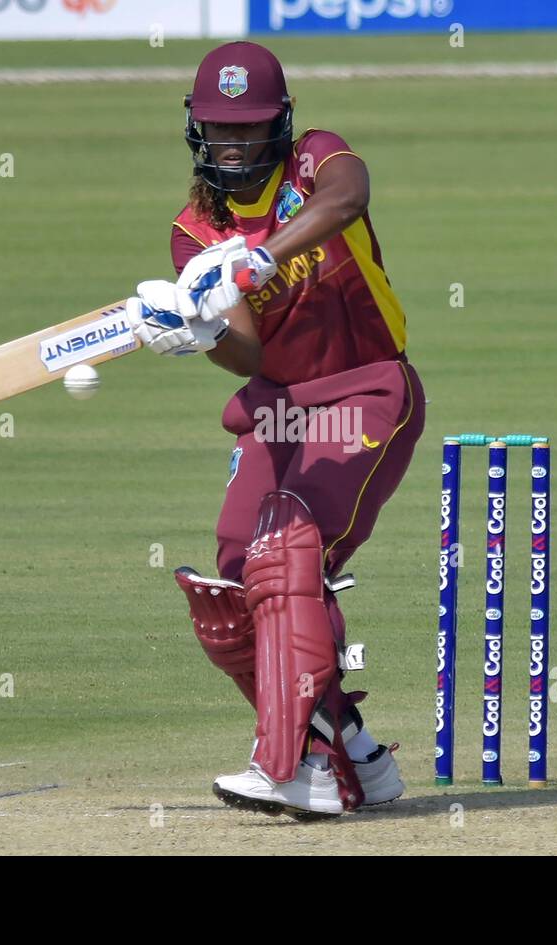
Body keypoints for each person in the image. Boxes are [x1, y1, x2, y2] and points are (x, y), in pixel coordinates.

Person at [124, 41, 425, 818]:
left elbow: (348, 200)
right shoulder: (194, 233)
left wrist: (256, 261)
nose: (235, 144)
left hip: (365, 389)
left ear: (280, 127)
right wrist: (197, 334)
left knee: (288, 547)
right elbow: (245, 351)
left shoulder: (315, 164)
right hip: (278, 407)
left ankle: (295, 765)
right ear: (196, 130)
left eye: (250, 128)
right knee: (232, 590)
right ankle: (352, 747)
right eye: (221, 129)